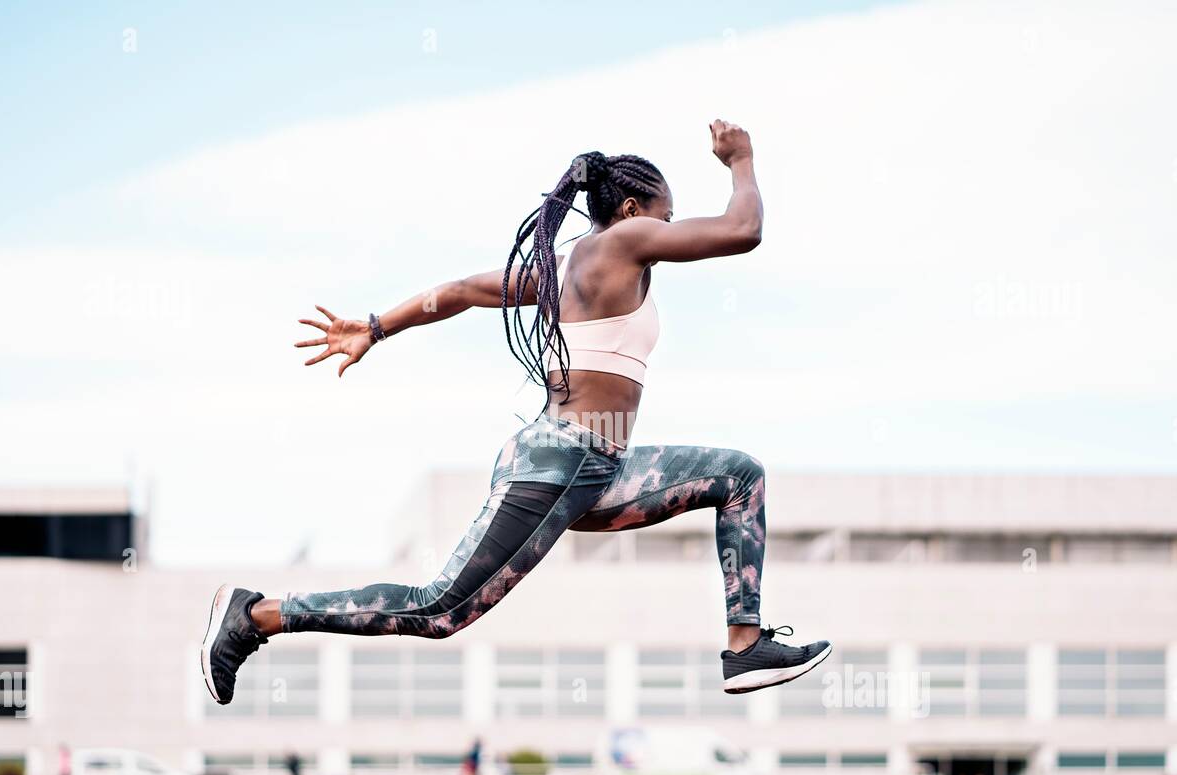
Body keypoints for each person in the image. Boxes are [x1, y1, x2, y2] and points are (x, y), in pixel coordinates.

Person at [201, 119, 831, 706]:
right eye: (664, 219)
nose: (665, 235)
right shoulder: (625, 239)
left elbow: (461, 293)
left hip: (601, 466)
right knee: (439, 609)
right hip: (560, 461)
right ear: (634, 212)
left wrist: (376, 327)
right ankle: (257, 614)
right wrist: (741, 160)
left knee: (739, 475)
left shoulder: (555, 271)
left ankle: (746, 649)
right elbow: (742, 229)